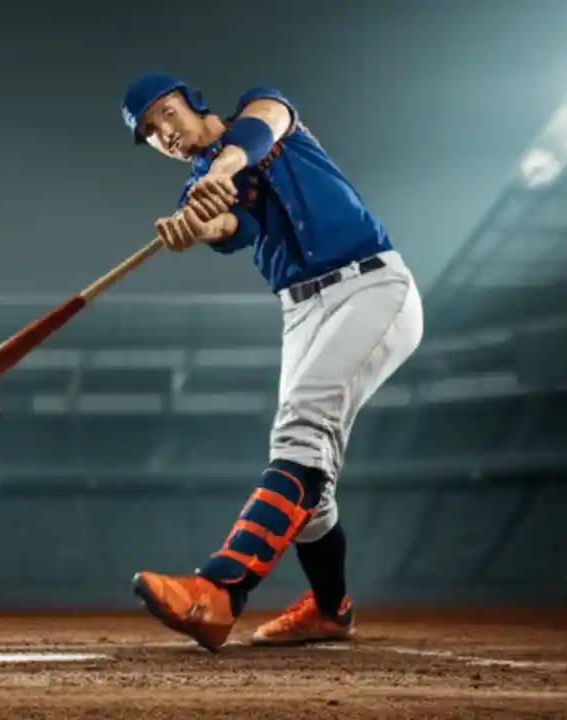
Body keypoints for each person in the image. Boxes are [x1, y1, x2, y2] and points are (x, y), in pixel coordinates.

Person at [119, 72, 424, 650]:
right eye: (151, 133)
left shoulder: (260, 110)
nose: (165, 133)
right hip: (301, 312)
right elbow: (233, 225)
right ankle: (331, 610)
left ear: (192, 99)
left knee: (300, 431)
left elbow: (261, 133)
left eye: (166, 114)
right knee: (308, 481)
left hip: (372, 286)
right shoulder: (196, 190)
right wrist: (195, 225)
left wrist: (220, 170)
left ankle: (220, 590)